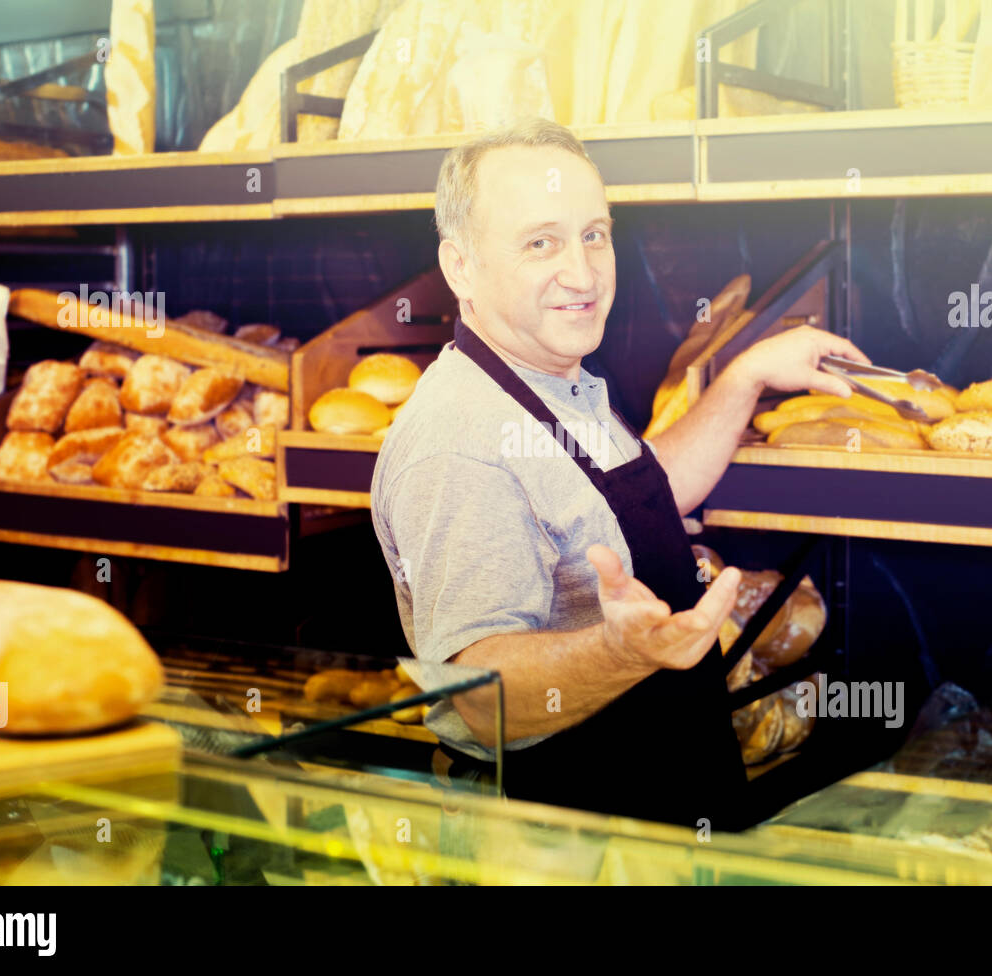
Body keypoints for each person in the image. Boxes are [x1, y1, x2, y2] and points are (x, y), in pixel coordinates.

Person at [372, 117, 869, 828]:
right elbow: (481, 696)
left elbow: (634, 492)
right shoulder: (459, 441)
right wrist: (621, 651)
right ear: (460, 267)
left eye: (594, 235)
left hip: (663, 802)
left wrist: (746, 375)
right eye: (540, 242)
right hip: (567, 828)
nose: (582, 274)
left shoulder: (552, 381)